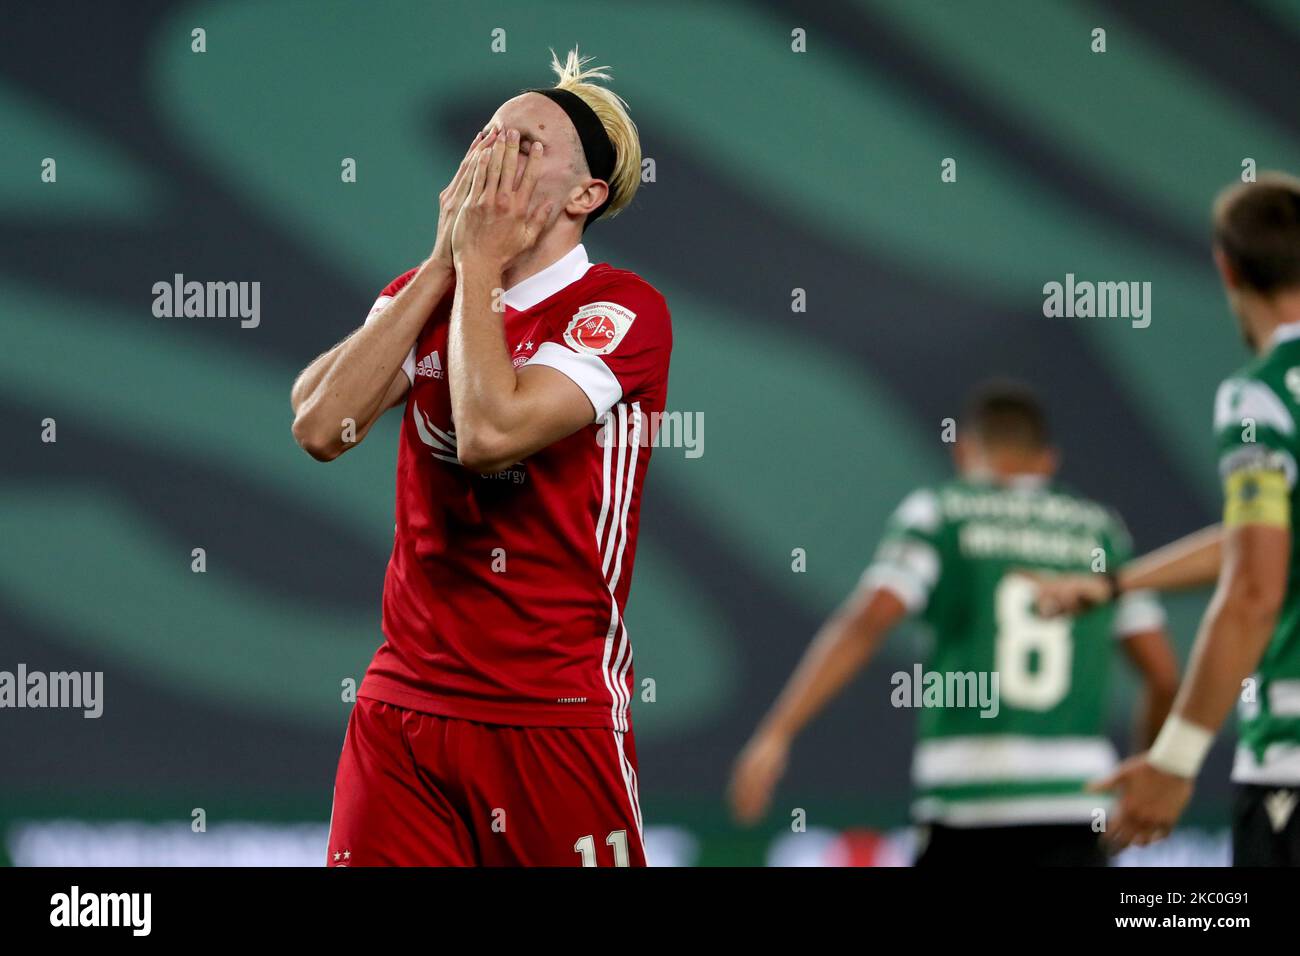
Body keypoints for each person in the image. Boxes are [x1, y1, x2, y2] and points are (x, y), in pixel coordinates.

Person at [290, 49, 670, 866]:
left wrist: (477, 270)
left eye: (524, 146)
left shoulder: (620, 308)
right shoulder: (428, 291)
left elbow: (491, 431)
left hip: (549, 708)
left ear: (585, 195)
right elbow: (322, 426)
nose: (491, 157)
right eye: (487, 137)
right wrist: (441, 267)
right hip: (404, 703)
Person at [728, 382, 1177, 866]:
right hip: (1077, 802)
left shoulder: (941, 512)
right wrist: (1150, 767)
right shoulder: (1100, 530)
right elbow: (1163, 675)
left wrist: (777, 732)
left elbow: (870, 618)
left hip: (968, 803)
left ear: (964, 450)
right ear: (1047, 460)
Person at [1033, 174, 1300, 865]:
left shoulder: (1262, 398)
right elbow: (1263, 546)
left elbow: (1253, 589)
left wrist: (1174, 761)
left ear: (1227, 268)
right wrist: (1119, 585)